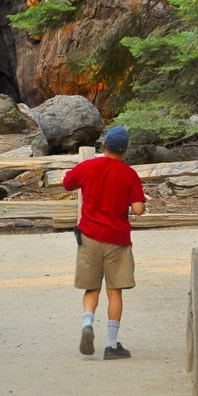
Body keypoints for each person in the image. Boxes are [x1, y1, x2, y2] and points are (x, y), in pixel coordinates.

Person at [63, 125, 146, 360]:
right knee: (114, 291)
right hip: (117, 239)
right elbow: (138, 209)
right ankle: (111, 345)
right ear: (126, 149)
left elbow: (67, 183)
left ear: (105, 145)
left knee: (92, 287)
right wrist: (140, 200)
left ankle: (87, 323)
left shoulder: (88, 167)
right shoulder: (129, 174)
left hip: (89, 236)